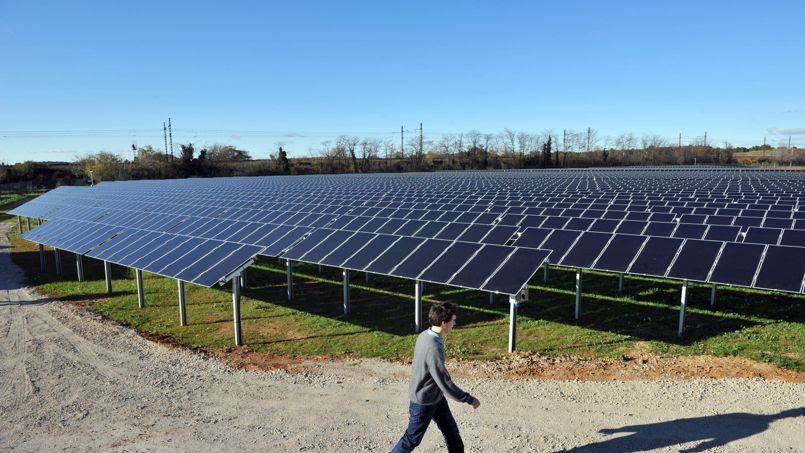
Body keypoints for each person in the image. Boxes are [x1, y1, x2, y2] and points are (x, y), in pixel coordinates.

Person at [392, 302, 480, 453]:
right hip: (424, 402)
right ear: (443, 323)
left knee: (451, 432)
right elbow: (444, 382)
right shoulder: (433, 346)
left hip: (435, 397)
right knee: (411, 439)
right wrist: (468, 398)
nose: (455, 323)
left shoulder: (425, 335)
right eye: (453, 320)